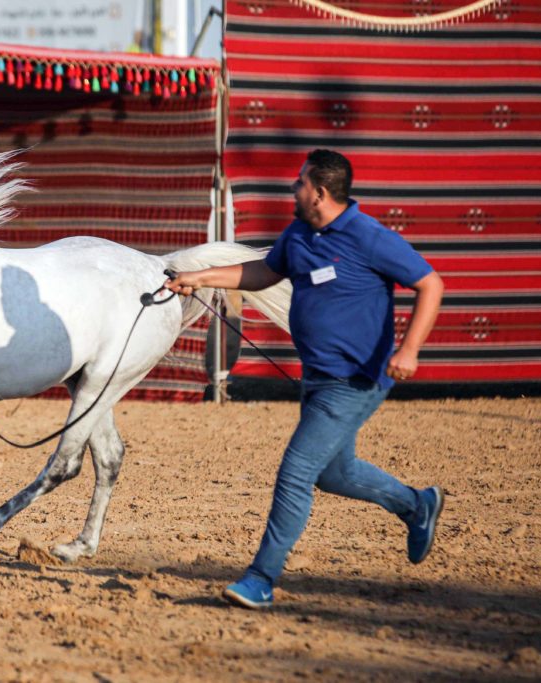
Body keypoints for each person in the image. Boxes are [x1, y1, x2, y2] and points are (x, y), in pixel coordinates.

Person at [165, 149, 445, 609]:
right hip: (317, 375)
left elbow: (431, 284)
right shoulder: (298, 234)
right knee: (336, 473)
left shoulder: (367, 236)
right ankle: (417, 505)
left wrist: (410, 349)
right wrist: (202, 276)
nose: (293, 188)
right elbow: (263, 273)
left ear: (320, 192)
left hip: (355, 381)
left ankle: (260, 578)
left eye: (299, 182)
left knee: (295, 472)